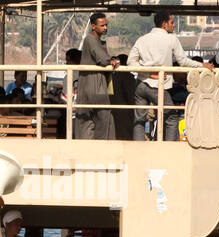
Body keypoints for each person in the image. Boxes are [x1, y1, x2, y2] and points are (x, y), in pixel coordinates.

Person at [127, 12, 211, 141]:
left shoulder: (142, 39)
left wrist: (148, 74)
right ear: (164, 24)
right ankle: (169, 148)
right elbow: (183, 61)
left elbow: (130, 62)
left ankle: (138, 147)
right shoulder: (171, 39)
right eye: (172, 22)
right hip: (158, 86)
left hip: (140, 84)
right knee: (171, 117)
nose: (174, 25)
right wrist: (202, 65)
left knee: (139, 118)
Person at [76, 11, 120, 140]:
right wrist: (110, 61)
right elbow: (101, 58)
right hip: (94, 82)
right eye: (102, 25)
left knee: (88, 119)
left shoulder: (94, 40)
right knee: (104, 117)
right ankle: (102, 146)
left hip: (90, 83)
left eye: (106, 25)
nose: (105, 28)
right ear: (93, 26)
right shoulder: (90, 39)